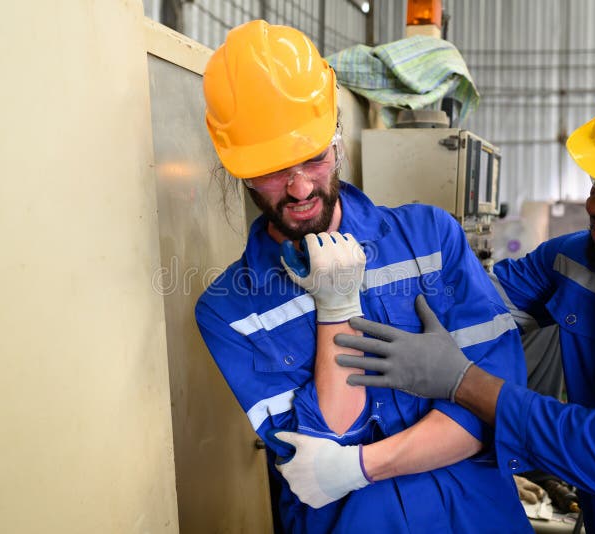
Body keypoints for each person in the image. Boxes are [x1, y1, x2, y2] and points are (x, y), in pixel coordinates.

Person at [284, 55, 595, 533]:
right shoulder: (578, 261)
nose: (593, 206)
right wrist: (343, 298)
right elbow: (471, 306)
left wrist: (463, 382)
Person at [194, 19, 532, 533]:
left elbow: (496, 407)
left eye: (312, 156)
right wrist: (336, 309)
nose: (300, 187)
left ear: (334, 137)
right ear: (235, 166)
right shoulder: (230, 309)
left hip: (478, 518)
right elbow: (321, 449)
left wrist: (359, 467)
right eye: (271, 169)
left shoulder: (430, 240)